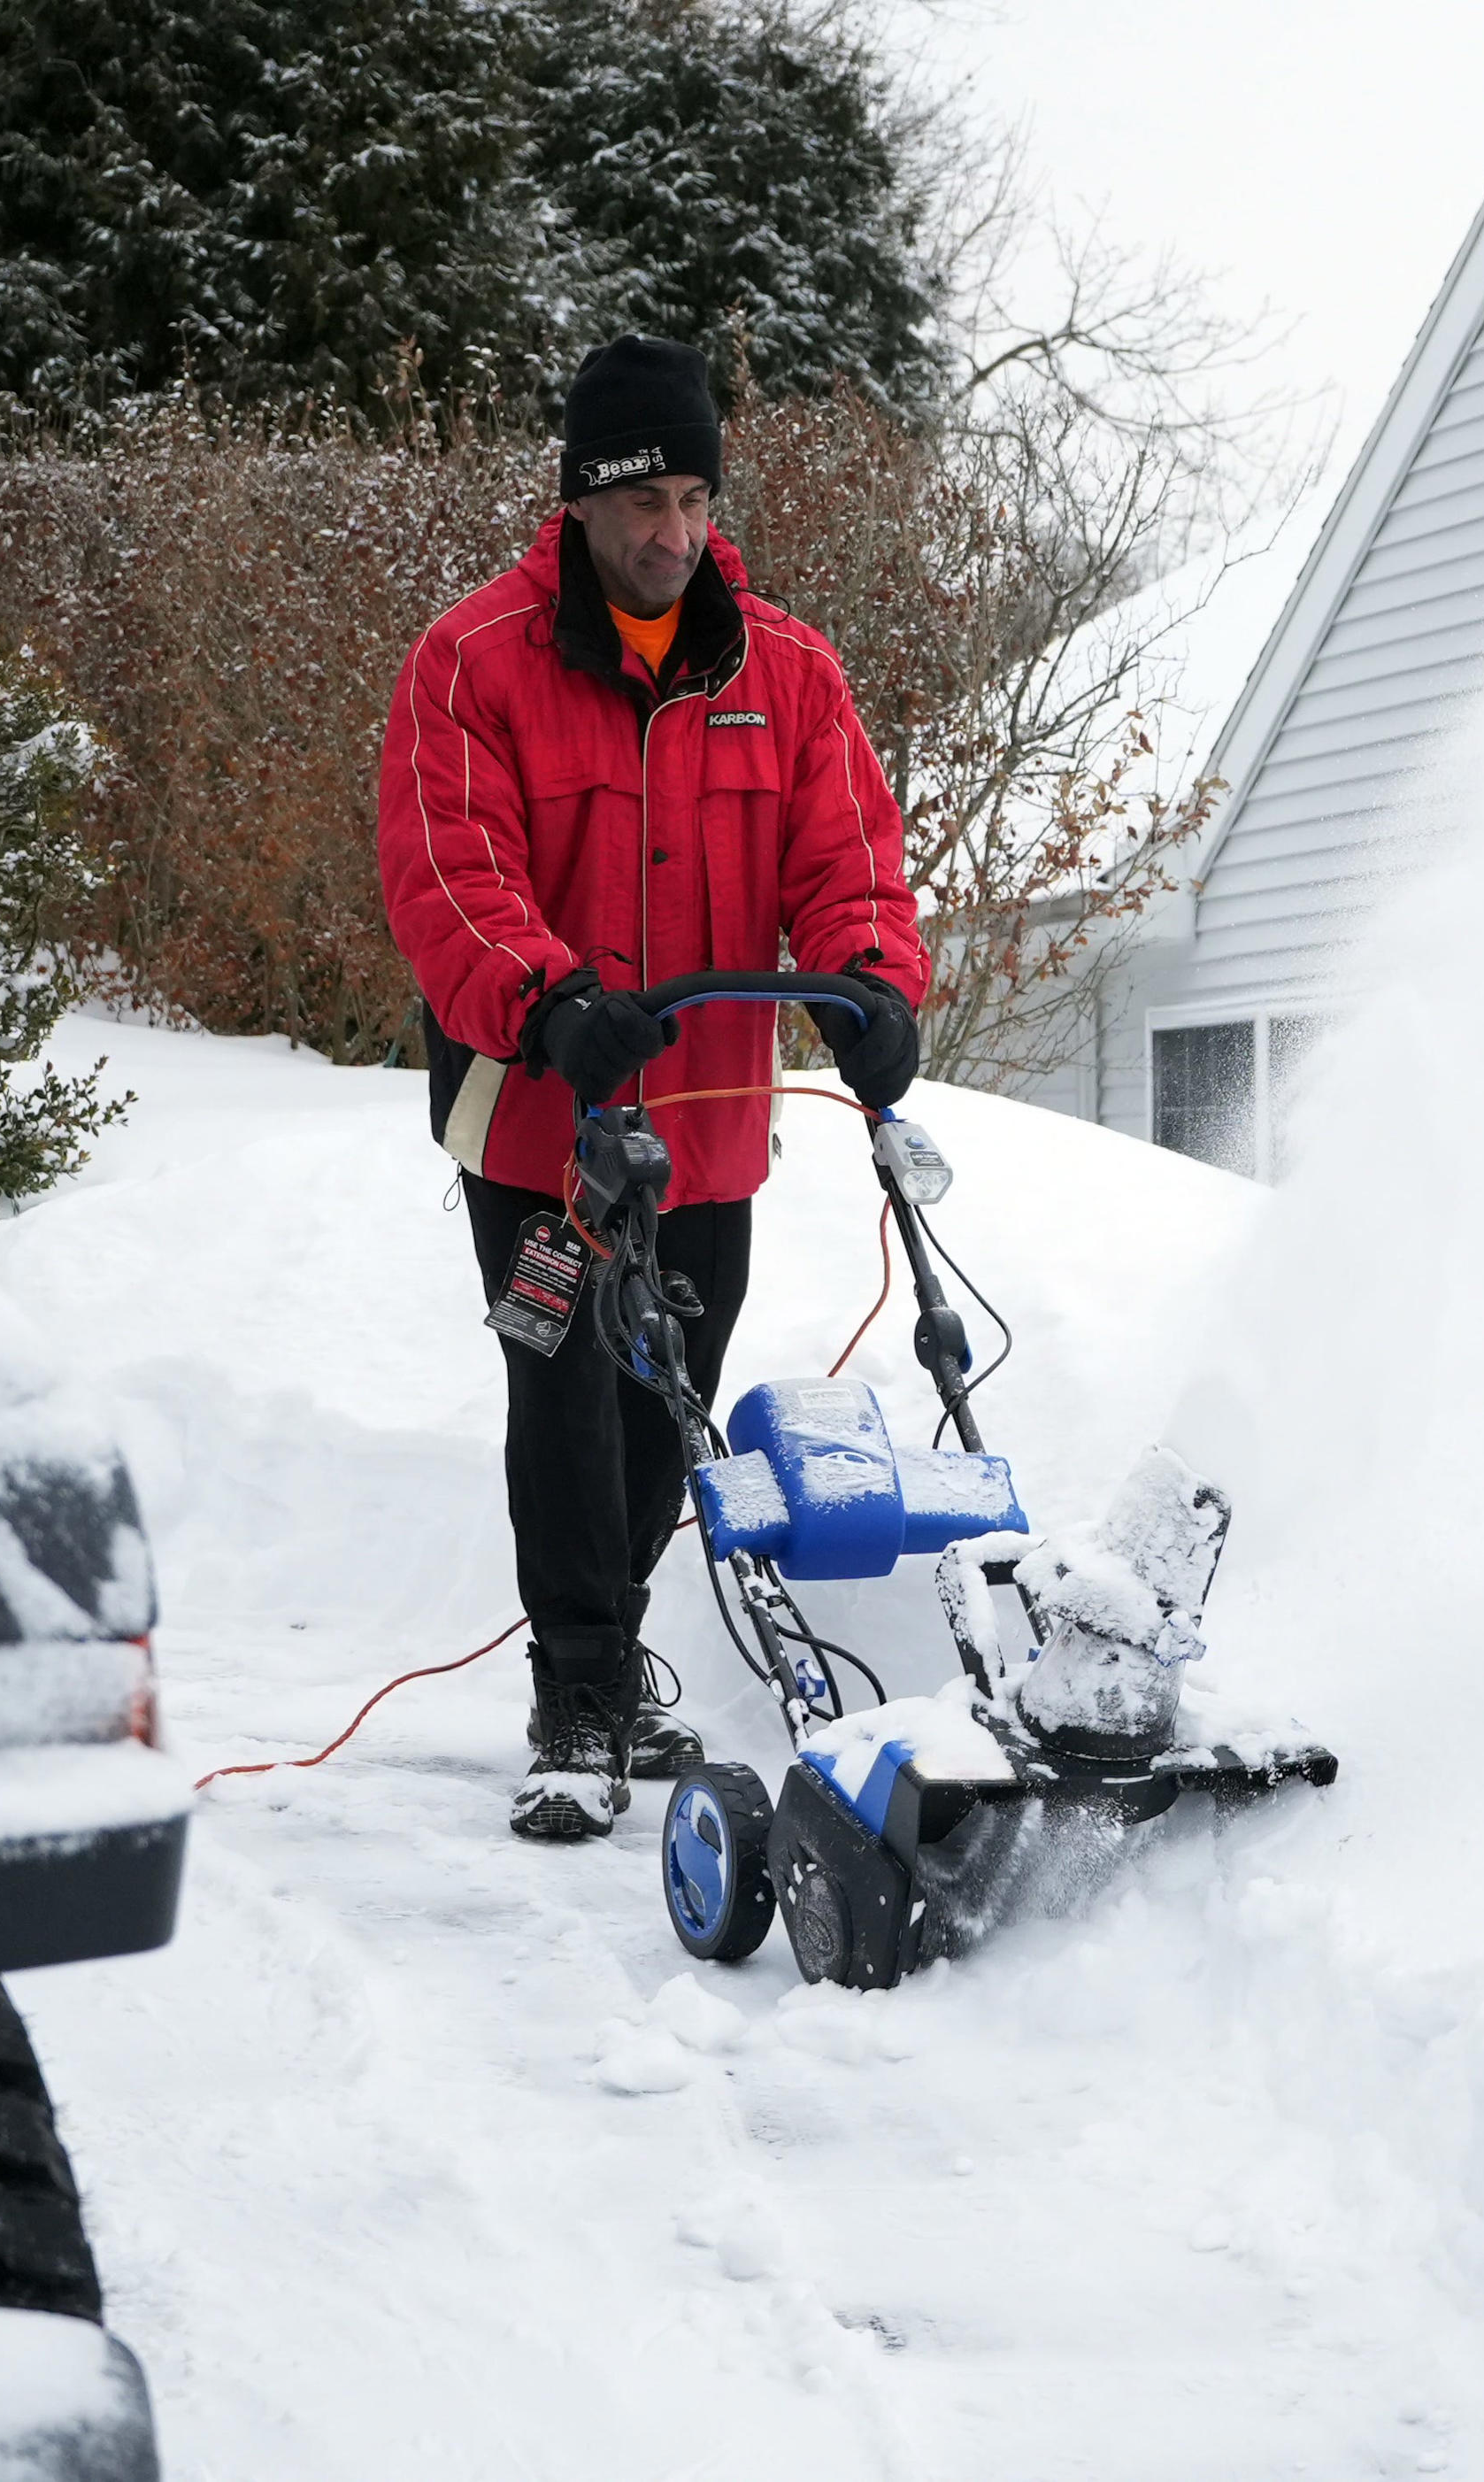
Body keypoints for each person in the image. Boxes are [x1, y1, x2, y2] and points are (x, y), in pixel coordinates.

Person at [376, 335, 927, 1841]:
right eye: (641, 503)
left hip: (708, 1121)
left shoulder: (786, 672)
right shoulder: (475, 661)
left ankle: (611, 1655)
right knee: (560, 1387)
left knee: (657, 1398)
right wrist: (550, 999)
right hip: (542, 1116)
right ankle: (579, 1687)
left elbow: (849, 861)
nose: (670, 534)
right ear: (577, 503)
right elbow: (446, 874)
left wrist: (873, 984)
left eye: (692, 498)